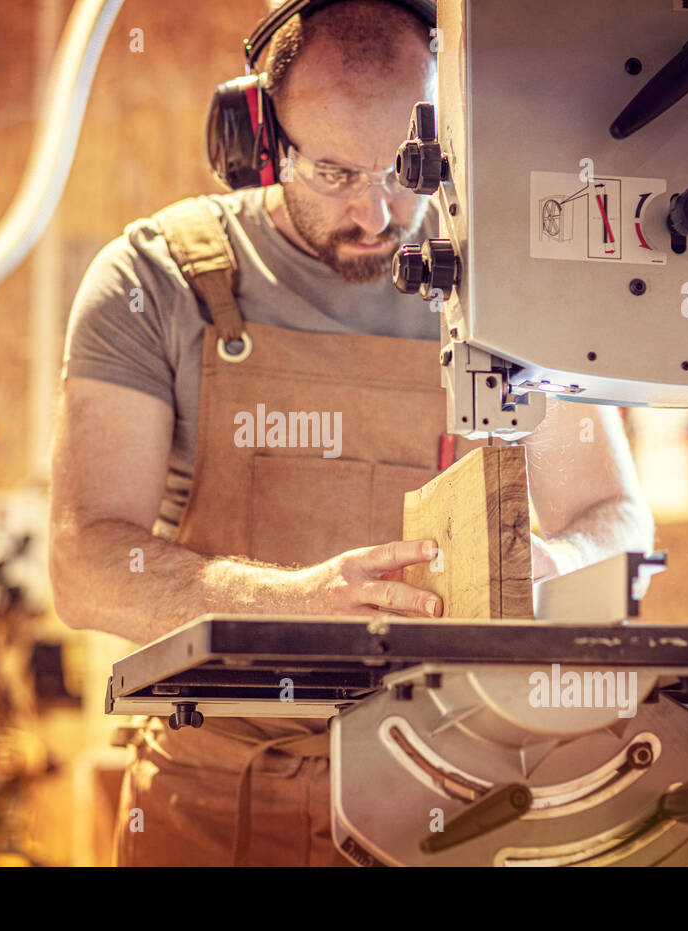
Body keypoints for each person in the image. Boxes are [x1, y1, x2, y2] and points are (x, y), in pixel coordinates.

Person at [49, 0, 655, 866]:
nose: (376, 214)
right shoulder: (159, 283)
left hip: (458, 802)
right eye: (333, 172)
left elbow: (618, 519)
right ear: (259, 140)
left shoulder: (511, 286)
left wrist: (552, 568)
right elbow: (84, 566)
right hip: (223, 800)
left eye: (407, 169)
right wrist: (293, 603)